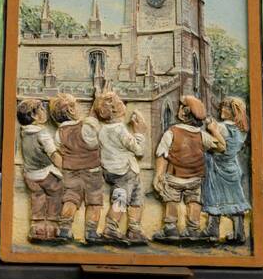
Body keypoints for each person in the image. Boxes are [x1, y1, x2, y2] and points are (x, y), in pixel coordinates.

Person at [152, 95, 226, 242]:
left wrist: (159, 174)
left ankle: (170, 228)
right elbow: (221, 146)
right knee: (194, 201)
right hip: (195, 178)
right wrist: (214, 130)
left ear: (183, 112)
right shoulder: (201, 135)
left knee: (171, 199)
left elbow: (162, 154)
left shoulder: (171, 132)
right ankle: (193, 229)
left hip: (174, 177)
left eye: (180, 106)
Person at [93, 92, 148, 246]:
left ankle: (134, 229)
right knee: (125, 199)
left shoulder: (102, 130)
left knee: (132, 198)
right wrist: (140, 133)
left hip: (112, 170)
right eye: (121, 102)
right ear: (116, 110)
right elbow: (139, 150)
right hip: (126, 171)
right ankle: (113, 228)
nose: (124, 104)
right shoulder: (120, 129)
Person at [49, 93, 103, 245]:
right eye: (76, 105)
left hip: (70, 173)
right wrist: (96, 102)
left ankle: (65, 228)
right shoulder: (85, 127)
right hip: (92, 172)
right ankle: (91, 232)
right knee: (94, 202)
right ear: (72, 111)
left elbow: (59, 150)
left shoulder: (59, 133)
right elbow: (94, 139)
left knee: (70, 199)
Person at [201, 97, 250, 244]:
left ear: (233, 112)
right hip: (232, 167)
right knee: (235, 199)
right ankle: (239, 233)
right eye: (222, 107)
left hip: (217, 167)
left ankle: (212, 231)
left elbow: (214, 145)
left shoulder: (221, 127)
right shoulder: (242, 130)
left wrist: (211, 129)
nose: (222, 110)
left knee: (215, 197)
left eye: (226, 108)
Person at [17, 97, 63, 242]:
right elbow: (53, 154)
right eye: (42, 109)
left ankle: (36, 226)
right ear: (33, 115)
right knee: (56, 192)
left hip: (30, 175)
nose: (44, 111)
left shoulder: (24, 132)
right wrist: (63, 165)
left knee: (38, 196)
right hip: (45, 173)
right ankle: (52, 225)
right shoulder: (42, 133)